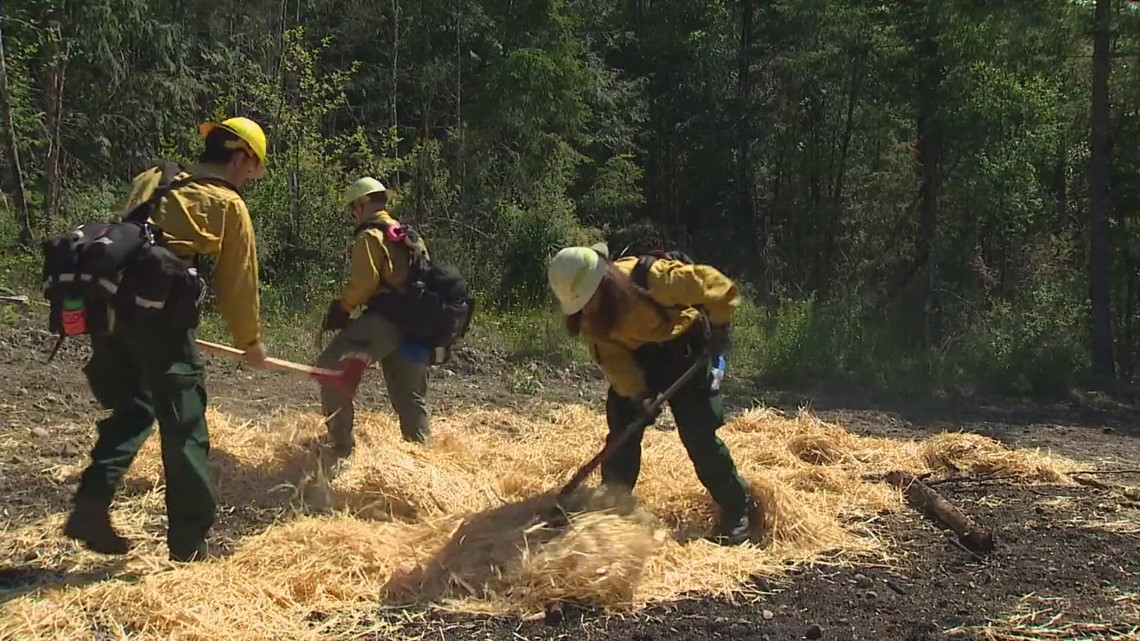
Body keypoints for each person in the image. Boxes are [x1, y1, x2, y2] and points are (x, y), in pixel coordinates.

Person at [62, 116, 271, 562]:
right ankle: (189, 547)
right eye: (251, 171)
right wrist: (251, 341)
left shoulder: (153, 178)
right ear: (240, 158)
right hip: (160, 323)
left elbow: (126, 237)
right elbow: (239, 282)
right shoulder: (226, 203)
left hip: (108, 311)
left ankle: (92, 502)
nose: (248, 180)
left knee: (134, 408)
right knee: (184, 423)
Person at [546, 245, 757, 545]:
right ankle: (612, 509)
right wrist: (638, 394)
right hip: (640, 363)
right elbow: (615, 361)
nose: (588, 311)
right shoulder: (593, 320)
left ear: (605, 283)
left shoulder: (654, 279)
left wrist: (720, 330)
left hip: (685, 352)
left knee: (699, 436)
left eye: (591, 302)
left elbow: (719, 287)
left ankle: (737, 507)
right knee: (622, 435)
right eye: (582, 307)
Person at [316, 177, 431, 455]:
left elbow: (365, 283)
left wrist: (342, 307)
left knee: (330, 368)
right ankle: (423, 456)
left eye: (352, 209)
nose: (352, 215)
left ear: (362, 204)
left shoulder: (370, 235)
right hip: (418, 325)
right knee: (410, 397)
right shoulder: (409, 235)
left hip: (386, 321)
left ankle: (341, 448)